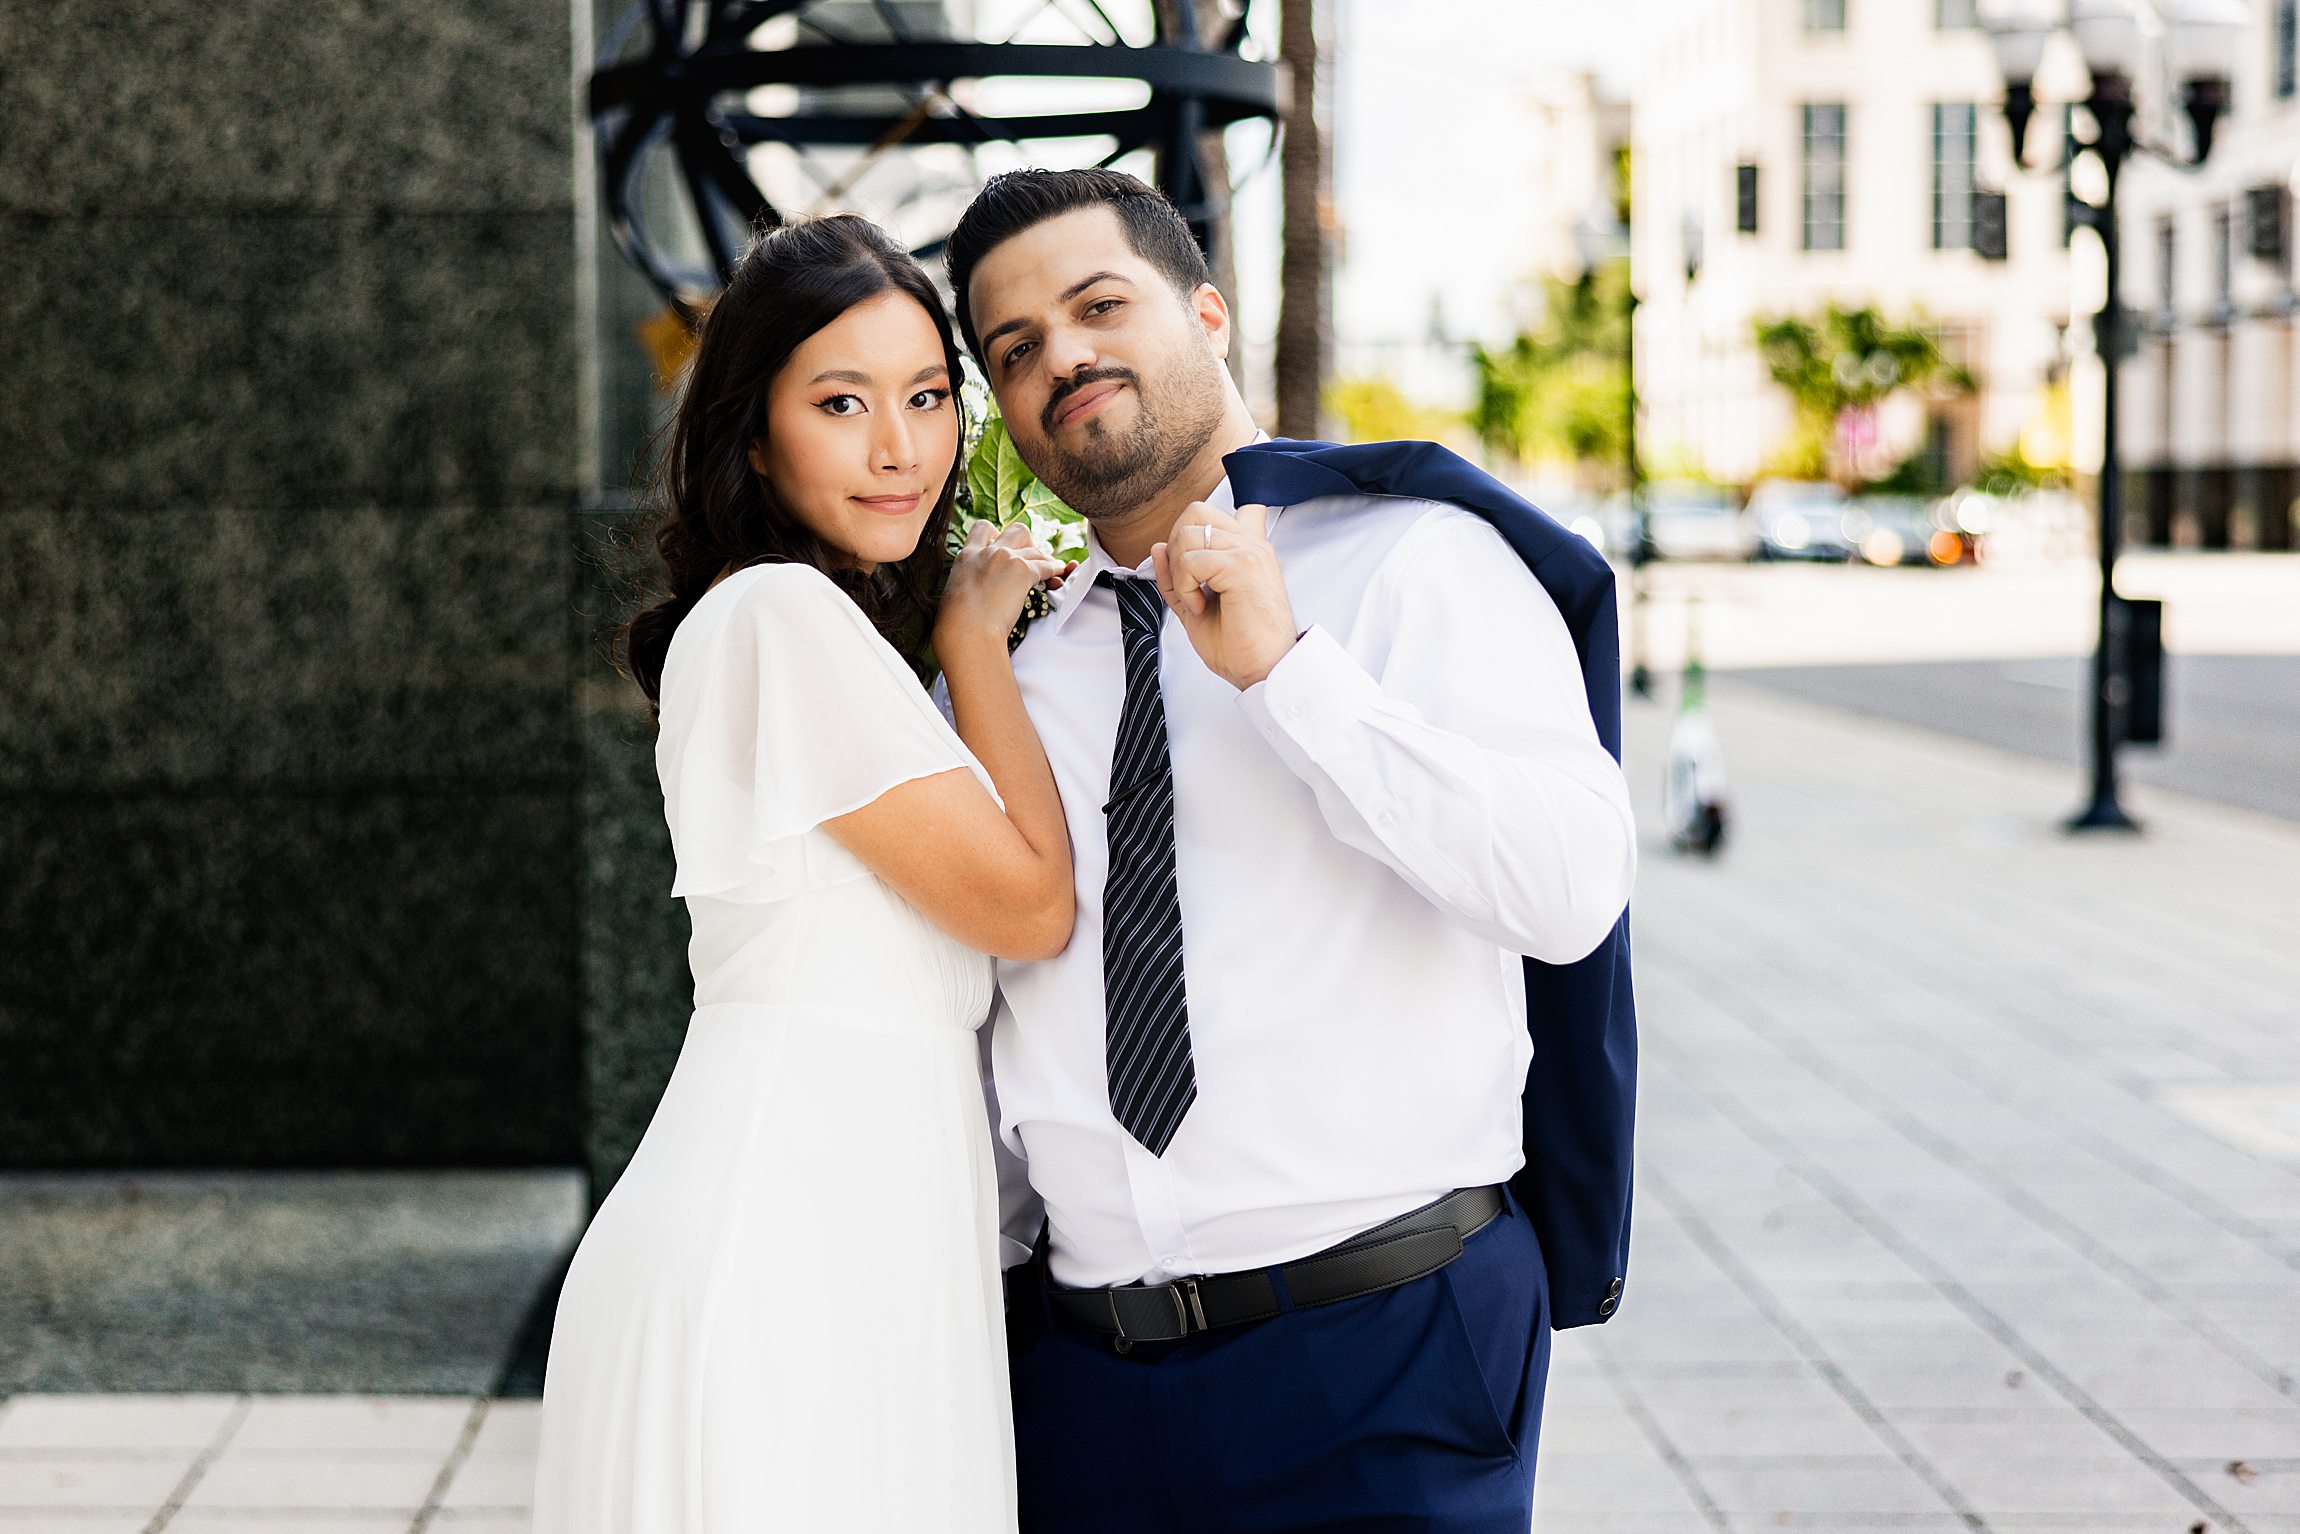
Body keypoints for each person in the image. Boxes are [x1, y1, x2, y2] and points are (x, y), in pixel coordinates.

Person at [945, 168, 1641, 1533]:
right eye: (1013, 350)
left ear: (1207, 313)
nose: (1062, 357)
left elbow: (1569, 892)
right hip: (1086, 1384)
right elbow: (985, 1013)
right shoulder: (1011, 673)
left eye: (1099, 306)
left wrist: (1291, 674)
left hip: (1381, 1345)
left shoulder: (1416, 563)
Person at [532, 214, 1069, 1533]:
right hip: (787, 1246)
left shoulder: (793, 621)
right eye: (842, 401)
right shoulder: (782, 616)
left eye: (929, 395)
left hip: (846, 1231)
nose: (902, 445)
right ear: (755, 427)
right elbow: (1034, 903)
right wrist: (977, 643)